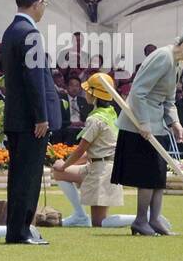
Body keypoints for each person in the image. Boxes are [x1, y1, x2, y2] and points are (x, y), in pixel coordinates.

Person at [111, 23, 183, 236]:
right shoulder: (162, 57)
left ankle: (155, 219)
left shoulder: (178, 63)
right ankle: (140, 220)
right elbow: (138, 92)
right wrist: (144, 124)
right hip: (139, 124)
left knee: (158, 174)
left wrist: (175, 123)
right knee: (147, 174)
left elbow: (169, 99)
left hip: (157, 125)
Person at [0, 0, 61, 245]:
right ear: (36, 3)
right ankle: (21, 229)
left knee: (18, 176)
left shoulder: (11, 30)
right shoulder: (30, 33)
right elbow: (34, 78)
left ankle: (18, 227)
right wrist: (41, 116)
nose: (44, 9)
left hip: (16, 116)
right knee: (28, 176)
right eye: (44, 4)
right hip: (30, 120)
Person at [51, 73, 135, 229]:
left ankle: (142, 218)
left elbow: (82, 148)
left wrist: (64, 165)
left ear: (94, 95)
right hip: (97, 166)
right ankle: (80, 215)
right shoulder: (111, 112)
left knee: (99, 222)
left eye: (88, 91)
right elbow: (89, 151)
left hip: (101, 170)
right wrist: (64, 166)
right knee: (59, 174)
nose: (85, 93)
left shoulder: (95, 119)